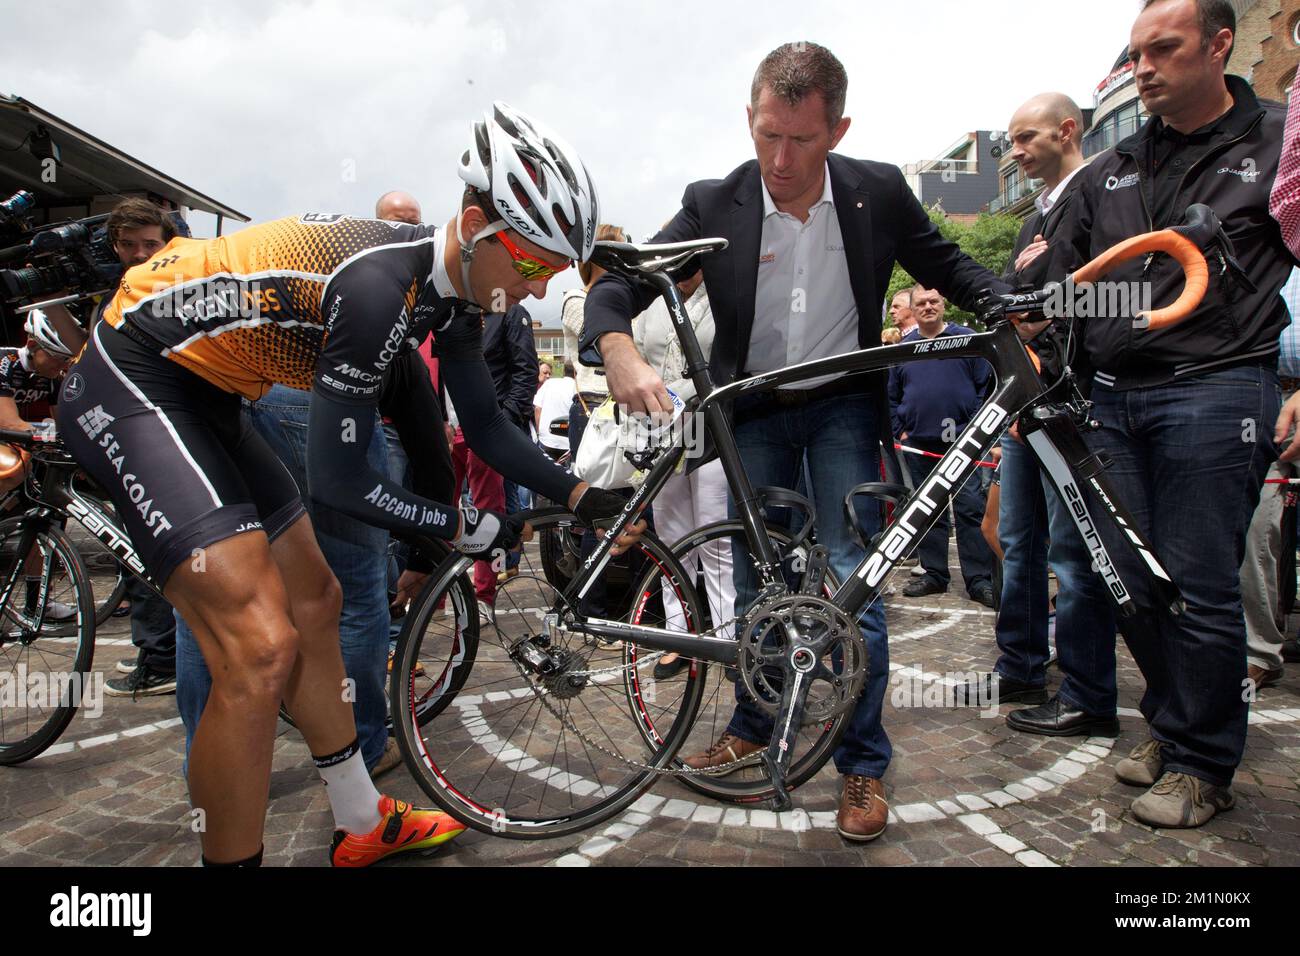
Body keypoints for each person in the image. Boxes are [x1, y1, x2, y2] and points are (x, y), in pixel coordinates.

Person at [56, 102, 639, 866]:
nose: (536, 291)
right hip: (132, 378)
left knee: (318, 602)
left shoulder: (463, 289)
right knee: (259, 646)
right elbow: (339, 481)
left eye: (555, 273)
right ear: (475, 224)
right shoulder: (374, 289)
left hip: (211, 390)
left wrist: (577, 496)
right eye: (532, 266)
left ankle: (360, 818)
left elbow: (488, 429)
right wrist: (462, 529)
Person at [581, 42, 1010, 842]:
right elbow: (621, 282)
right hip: (757, 409)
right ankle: (751, 723)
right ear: (750, 117)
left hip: (846, 403)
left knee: (853, 580)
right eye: (767, 134)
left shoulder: (877, 191)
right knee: (754, 586)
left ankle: (862, 765)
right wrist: (616, 346)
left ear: (838, 130)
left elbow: (947, 265)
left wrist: (1007, 302)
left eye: (802, 141)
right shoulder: (716, 201)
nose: (780, 160)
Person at [1063, 0, 1295, 828]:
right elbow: (1059, 278)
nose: (1143, 69)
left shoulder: (1278, 140)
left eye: (1163, 49)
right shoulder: (1111, 165)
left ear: (1219, 44)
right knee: (1131, 582)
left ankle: (1204, 762)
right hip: (1113, 398)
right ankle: (1173, 722)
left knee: (1199, 585)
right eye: (1134, 55)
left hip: (1219, 386)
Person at [982, 92, 1122, 738]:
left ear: (1067, 130)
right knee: (1019, 537)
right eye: (1010, 141)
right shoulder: (1027, 223)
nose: (1014, 152)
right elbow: (1013, 302)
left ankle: (1089, 692)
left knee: (1074, 545)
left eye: (1025, 138)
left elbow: (1093, 290)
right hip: (1024, 399)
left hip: (1072, 397)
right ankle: (1021, 665)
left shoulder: (1102, 189)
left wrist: (1043, 301)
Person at [630, 272, 735, 678]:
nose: (684, 274)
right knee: (672, 541)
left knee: (717, 538)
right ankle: (679, 636)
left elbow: (727, 362)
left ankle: (726, 634)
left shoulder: (722, 299)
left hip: (710, 425)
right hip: (662, 429)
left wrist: (676, 394)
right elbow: (636, 359)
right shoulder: (649, 304)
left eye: (692, 266)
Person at [889, 287, 997, 607]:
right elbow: (892, 396)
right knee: (928, 511)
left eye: (934, 301)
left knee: (970, 509)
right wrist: (901, 430)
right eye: (921, 303)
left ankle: (978, 579)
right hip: (921, 443)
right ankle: (935, 573)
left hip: (964, 442)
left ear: (943, 304)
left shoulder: (967, 339)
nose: (928, 307)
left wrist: (975, 428)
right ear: (913, 309)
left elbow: (986, 386)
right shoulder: (904, 349)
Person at [534, 360, 577, 461]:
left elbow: (537, 409)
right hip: (568, 444)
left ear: (563, 371)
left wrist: (539, 432)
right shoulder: (577, 388)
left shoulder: (549, 383)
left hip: (546, 440)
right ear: (576, 373)